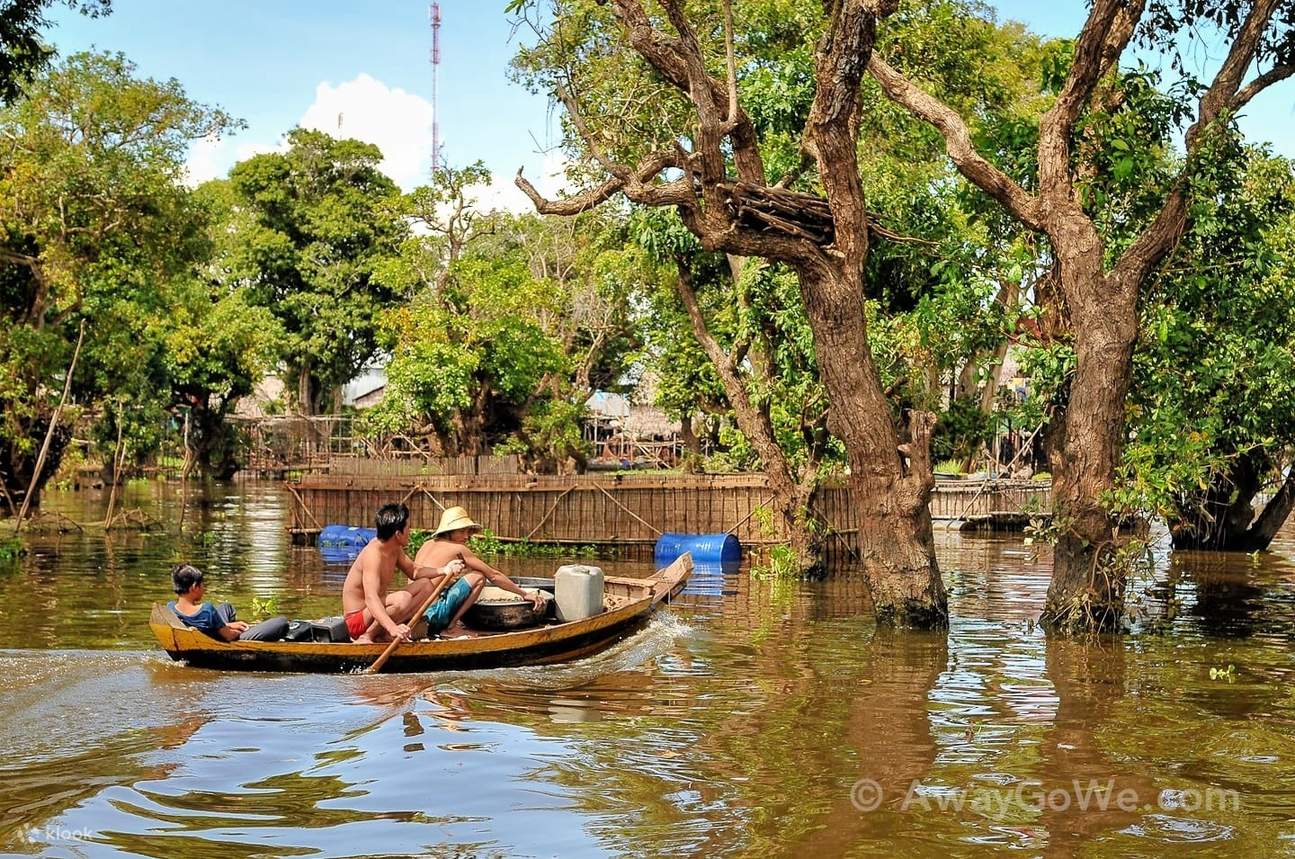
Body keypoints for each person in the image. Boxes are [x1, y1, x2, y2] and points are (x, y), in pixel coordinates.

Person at [341, 502, 465, 643]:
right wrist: (392, 627)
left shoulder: (394, 548)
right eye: (408, 527)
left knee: (426, 585)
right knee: (402, 599)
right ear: (398, 534)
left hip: (375, 615)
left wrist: (445, 569)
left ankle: (382, 633)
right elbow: (371, 598)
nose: (410, 531)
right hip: (355, 623)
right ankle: (367, 636)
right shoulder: (373, 555)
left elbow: (414, 571)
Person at [414, 506, 545, 638]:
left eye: (468, 531)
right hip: (434, 616)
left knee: (458, 580)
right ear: (449, 532)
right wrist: (524, 594)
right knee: (479, 576)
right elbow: (493, 576)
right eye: (461, 531)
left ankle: (442, 626)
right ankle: (451, 628)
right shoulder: (458, 548)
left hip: (415, 617)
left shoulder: (426, 544)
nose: (466, 536)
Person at [169, 564, 289, 642]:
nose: (204, 588)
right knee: (282, 622)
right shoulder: (207, 610)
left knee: (226, 607)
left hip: (210, 632)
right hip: (225, 639)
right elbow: (229, 636)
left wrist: (227, 625)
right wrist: (245, 630)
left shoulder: (170, 608)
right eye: (202, 585)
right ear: (194, 587)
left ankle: (223, 625)